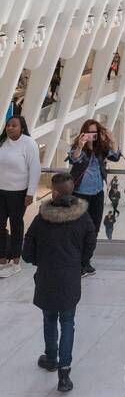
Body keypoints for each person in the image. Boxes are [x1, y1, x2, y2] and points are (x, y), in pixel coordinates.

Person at [22, 171, 96, 393]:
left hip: (46, 276)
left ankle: (51, 357)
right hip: (70, 278)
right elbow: (89, 246)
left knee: (49, 319)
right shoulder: (83, 218)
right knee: (68, 322)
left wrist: (38, 260)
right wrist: (79, 263)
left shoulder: (41, 219)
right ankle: (64, 373)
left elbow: (28, 251)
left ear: (54, 193)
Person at [66, 118, 123, 273]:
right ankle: (77, 261)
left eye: (95, 132)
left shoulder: (101, 148)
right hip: (79, 194)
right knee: (78, 228)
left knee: (94, 228)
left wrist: (113, 140)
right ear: (84, 133)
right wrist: (80, 145)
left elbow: (116, 156)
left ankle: (86, 261)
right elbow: (74, 158)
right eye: (89, 132)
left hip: (97, 193)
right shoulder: (80, 147)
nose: (92, 135)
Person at [0, 114, 41, 278]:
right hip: (0, 191)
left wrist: (30, 193)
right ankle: (2, 258)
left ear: (22, 128)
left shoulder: (29, 144)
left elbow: (35, 168)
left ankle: (15, 260)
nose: (10, 128)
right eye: (8, 125)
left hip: (19, 193)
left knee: (16, 225)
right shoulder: (2, 142)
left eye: (14, 125)